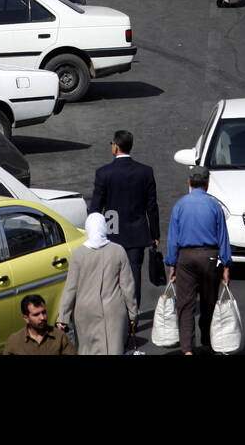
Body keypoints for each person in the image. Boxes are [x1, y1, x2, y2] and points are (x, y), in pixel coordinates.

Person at [89, 130, 160, 313]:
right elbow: (152, 206)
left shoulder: (104, 173)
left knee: (111, 274)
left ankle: (114, 312)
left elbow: (96, 207)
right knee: (134, 274)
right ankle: (133, 315)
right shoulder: (145, 172)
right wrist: (155, 234)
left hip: (113, 231)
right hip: (137, 233)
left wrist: (93, 233)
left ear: (116, 146)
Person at [165, 166, 231, 356]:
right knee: (209, 301)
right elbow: (223, 238)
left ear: (189, 182)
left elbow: (173, 238)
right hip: (211, 257)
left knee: (186, 304)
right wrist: (225, 265)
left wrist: (172, 264)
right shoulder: (214, 206)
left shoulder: (180, 205)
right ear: (207, 183)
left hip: (185, 258)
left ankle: (187, 349)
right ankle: (207, 343)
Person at [56, 212, 137, 356]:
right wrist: (132, 313)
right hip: (113, 312)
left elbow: (70, 289)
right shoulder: (118, 251)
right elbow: (127, 287)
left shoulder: (78, 254)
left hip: (85, 312)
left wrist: (63, 317)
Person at [3, 294, 75, 356]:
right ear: (26, 318)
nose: (42, 317)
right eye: (36, 315)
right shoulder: (15, 341)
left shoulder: (59, 336)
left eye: (43, 312)